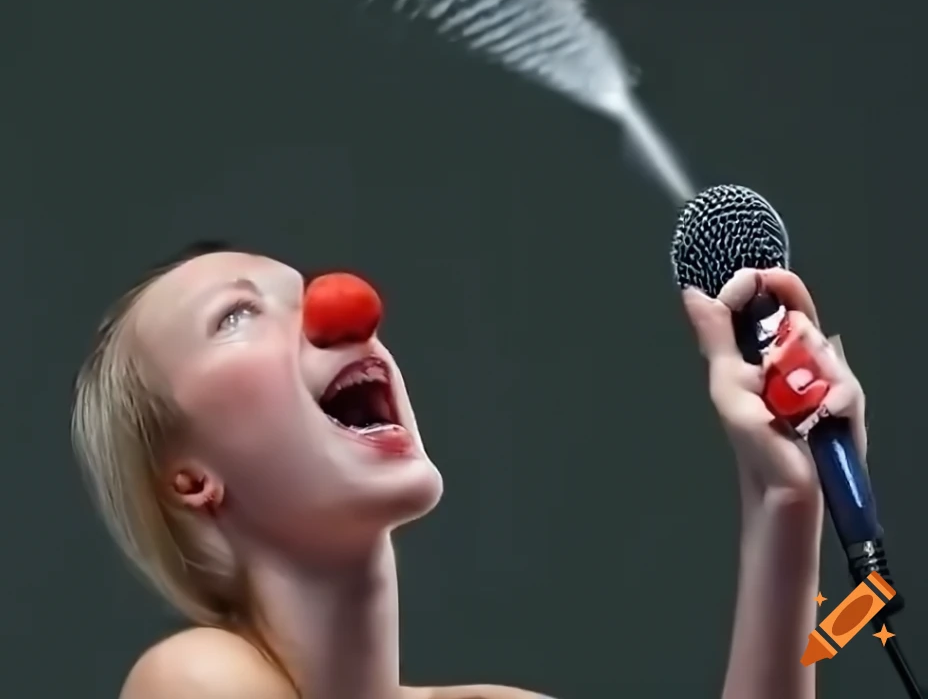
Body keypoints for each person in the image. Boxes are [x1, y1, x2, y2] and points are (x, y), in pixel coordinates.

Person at [71, 242, 866, 699]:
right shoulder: (195, 682)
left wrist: (784, 500)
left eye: (298, 291)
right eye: (237, 316)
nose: (339, 308)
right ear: (190, 480)